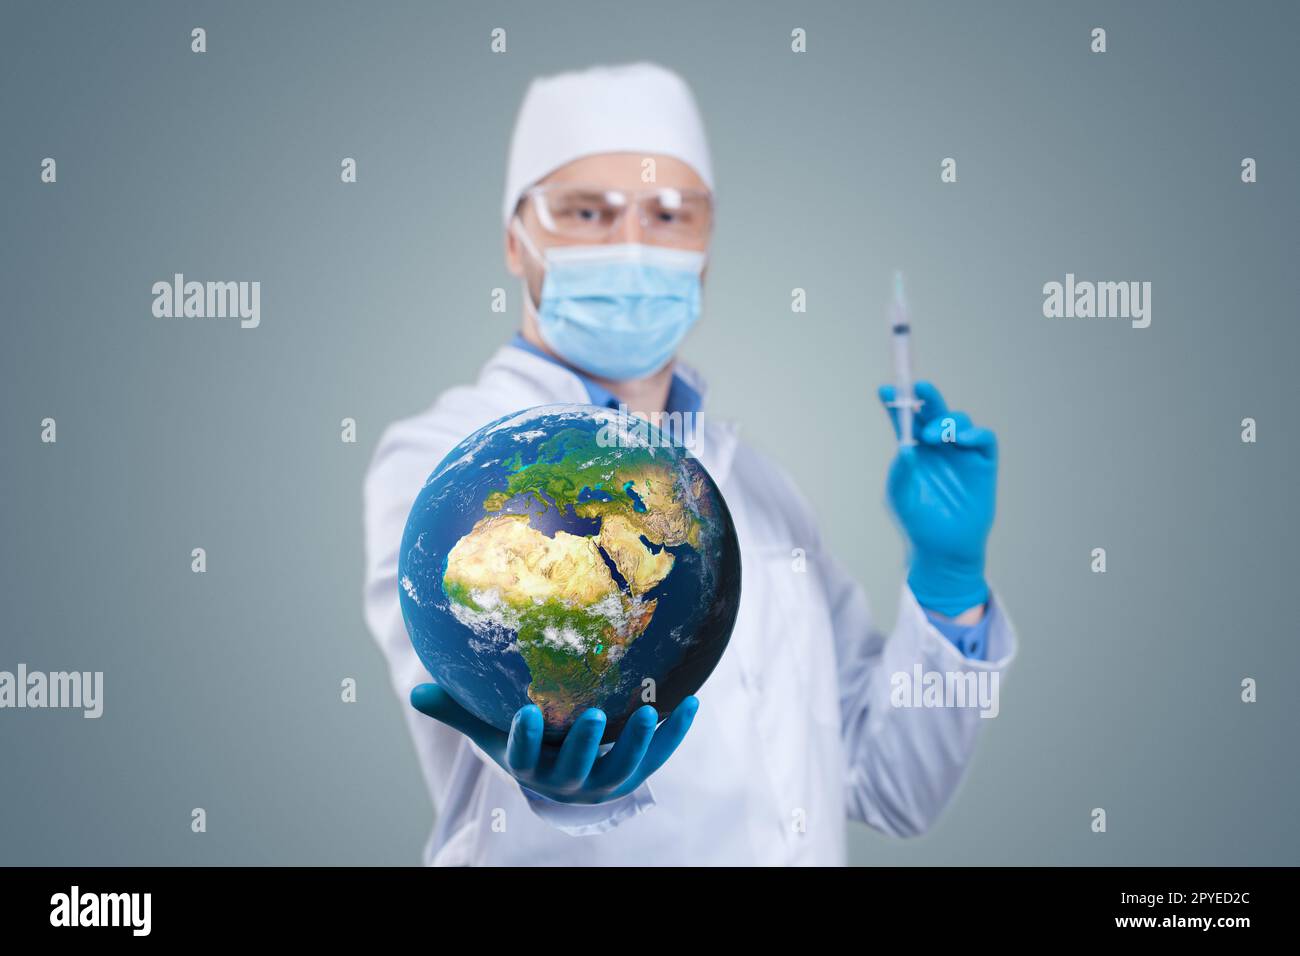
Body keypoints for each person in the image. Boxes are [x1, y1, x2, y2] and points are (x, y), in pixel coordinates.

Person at [363, 62, 1017, 865]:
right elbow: (474, 727)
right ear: (514, 238)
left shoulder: (753, 490)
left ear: (706, 249)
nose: (633, 243)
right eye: (588, 212)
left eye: (671, 215)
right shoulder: (445, 464)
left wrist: (948, 587)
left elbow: (893, 787)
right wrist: (564, 792)